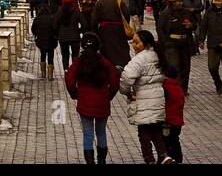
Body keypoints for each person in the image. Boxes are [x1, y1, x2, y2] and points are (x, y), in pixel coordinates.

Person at [64, 32, 120, 165]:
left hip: (85, 103)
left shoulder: (78, 62)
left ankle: (90, 161)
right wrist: (108, 96)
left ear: (82, 46)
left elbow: (70, 80)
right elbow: (115, 82)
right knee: (101, 133)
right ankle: (102, 160)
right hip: (102, 103)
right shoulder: (105, 63)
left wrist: (75, 94)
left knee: (88, 134)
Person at [120, 29, 169, 164]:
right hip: (158, 98)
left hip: (143, 100)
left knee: (143, 133)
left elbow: (127, 77)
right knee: (155, 129)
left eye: (136, 42)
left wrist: (126, 91)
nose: (133, 45)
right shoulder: (157, 55)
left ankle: (149, 159)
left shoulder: (140, 59)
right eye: (132, 42)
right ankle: (164, 155)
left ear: (146, 44)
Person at [157, 0, 196, 95]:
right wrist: (164, 41)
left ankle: (183, 89)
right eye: (178, 1)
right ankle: (176, 87)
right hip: (171, 44)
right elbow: (159, 28)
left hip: (185, 43)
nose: (180, 3)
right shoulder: (165, 13)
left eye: (181, 1)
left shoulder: (186, 12)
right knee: (174, 65)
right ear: (172, 3)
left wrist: (190, 25)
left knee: (185, 66)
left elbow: (195, 25)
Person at [92, 0, 131, 71]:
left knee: (107, 51)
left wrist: (95, 32)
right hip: (119, 29)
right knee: (121, 49)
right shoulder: (119, 1)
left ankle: (109, 69)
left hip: (104, 31)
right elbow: (126, 14)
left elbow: (94, 20)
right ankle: (122, 67)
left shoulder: (99, 2)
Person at [161, 64, 186, 164]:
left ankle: (168, 159)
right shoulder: (178, 88)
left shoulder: (165, 87)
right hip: (178, 122)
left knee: (166, 142)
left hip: (167, 122)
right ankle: (178, 159)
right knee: (175, 140)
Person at [32, 0, 60, 79]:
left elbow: (33, 29)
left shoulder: (37, 18)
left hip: (41, 40)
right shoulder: (52, 18)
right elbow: (55, 28)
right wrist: (56, 37)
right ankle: (50, 75)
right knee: (51, 56)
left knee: (43, 54)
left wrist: (37, 35)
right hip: (51, 40)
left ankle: (43, 73)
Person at [56, 0, 82, 73]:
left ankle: (66, 69)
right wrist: (79, 31)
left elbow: (54, 24)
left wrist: (58, 32)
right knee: (75, 55)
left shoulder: (60, 12)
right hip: (75, 37)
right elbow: (85, 24)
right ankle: (74, 69)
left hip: (63, 37)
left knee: (65, 54)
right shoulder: (76, 12)